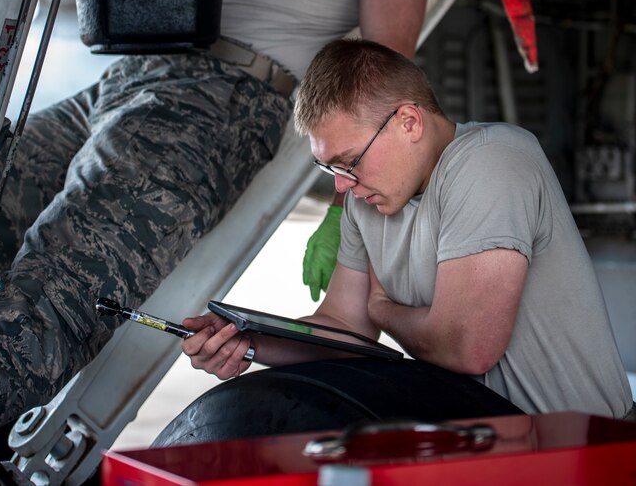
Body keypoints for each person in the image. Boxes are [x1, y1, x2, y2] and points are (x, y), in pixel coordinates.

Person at [0, 0, 434, 435]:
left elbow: (383, 75)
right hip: (129, 75)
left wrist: (345, 208)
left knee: (65, 281)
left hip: (220, 101)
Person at [181, 38, 635, 420]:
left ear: (409, 122)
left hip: (586, 449)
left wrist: (383, 309)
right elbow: (343, 327)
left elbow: (468, 347)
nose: (341, 185)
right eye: (328, 167)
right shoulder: (367, 201)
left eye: (349, 161)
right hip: (490, 447)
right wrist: (249, 341)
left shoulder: (493, 161)